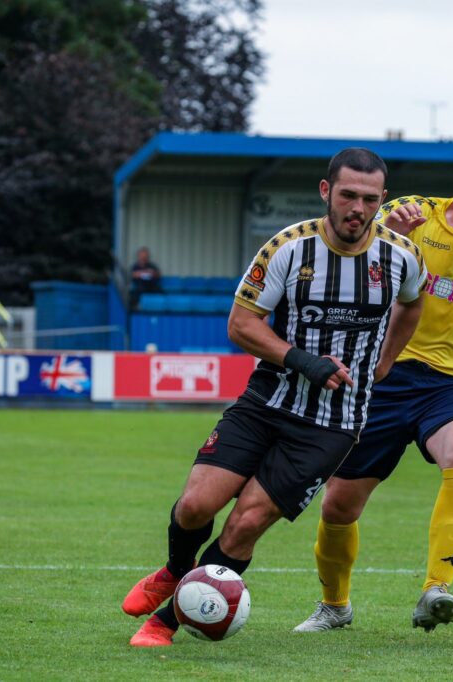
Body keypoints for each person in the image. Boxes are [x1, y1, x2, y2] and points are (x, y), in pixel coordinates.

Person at [121, 148, 427, 646]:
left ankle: (166, 622)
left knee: (245, 524)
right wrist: (305, 362)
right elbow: (241, 324)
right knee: (195, 505)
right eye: (348, 195)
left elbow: (413, 305)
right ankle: (175, 571)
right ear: (326, 191)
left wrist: (386, 360)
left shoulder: (402, 256)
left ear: (382, 199)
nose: (357, 208)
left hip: (332, 424)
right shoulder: (288, 248)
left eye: (370, 199)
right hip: (267, 400)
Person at [293, 134, 453, 634]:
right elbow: (345, 257)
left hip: (452, 381)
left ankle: (437, 588)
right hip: (383, 372)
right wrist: (384, 234)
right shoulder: (409, 213)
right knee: (339, 504)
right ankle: (335, 605)